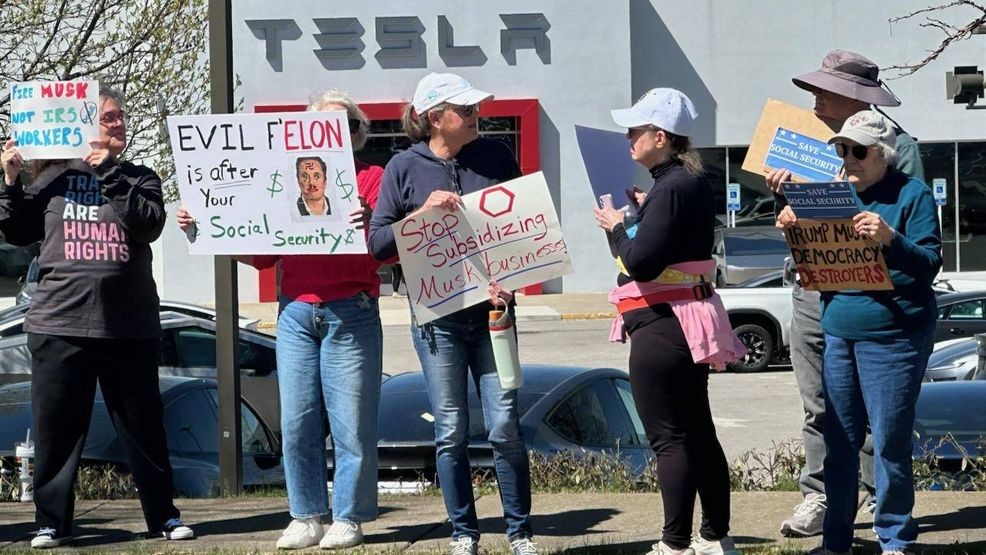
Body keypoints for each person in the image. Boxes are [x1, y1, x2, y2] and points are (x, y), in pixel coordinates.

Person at [177, 89, 383, 550]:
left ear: (355, 135)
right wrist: (203, 228)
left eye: (337, 127)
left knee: (351, 422)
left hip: (352, 308)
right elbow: (261, 251)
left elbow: (388, 251)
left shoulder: (373, 180)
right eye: (318, 127)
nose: (326, 138)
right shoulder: (285, 182)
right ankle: (306, 515)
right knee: (297, 420)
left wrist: (368, 221)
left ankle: (348, 516)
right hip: (294, 311)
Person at [0, 86, 194, 549]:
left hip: (128, 326)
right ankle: (51, 523)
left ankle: (163, 518)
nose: (117, 123)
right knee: (58, 431)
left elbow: (146, 223)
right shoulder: (50, 180)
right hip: (58, 324)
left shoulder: (141, 177)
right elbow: (15, 229)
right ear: (84, 125)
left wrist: (107, 170)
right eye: (107, 117)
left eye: (120, 117)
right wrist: (10, 181)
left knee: (144, 428)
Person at [368, 72, 537, 555]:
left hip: (494, 313)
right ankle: (464, 534)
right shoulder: (403, 167)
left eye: (475, 108)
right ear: (432, 119)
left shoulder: (497, 155)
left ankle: (519, 531)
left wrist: (515, 271)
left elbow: (525, 223)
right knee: (450, 430)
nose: (475, 115)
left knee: (505, 423)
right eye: (464, 110)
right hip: (437, 319)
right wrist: (419, 215)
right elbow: (378, 245)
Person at [767, 49, 925, 538]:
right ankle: (822, 498)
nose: (813, 99)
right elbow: (809, 224)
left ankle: (882, 506)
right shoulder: (804, 142)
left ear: (853, 96)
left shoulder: (896, 146)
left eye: (822, 90)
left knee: (878, 416)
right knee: (821, 405)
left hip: (875, 302)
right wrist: (786, 199)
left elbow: (905, 218)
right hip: (816, 290)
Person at [594, 88, 745, 555]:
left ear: (661, 137)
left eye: (636, 130)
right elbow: (673, 241)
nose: (628, 138)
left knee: (669, 437)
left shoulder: (672, 186)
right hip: (687, 319)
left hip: (663, 324)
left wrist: (616, 227)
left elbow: (640, 261)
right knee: (698, 429)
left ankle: (674, 543)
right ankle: (716, 537)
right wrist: (648, 209)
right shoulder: (687, 181)